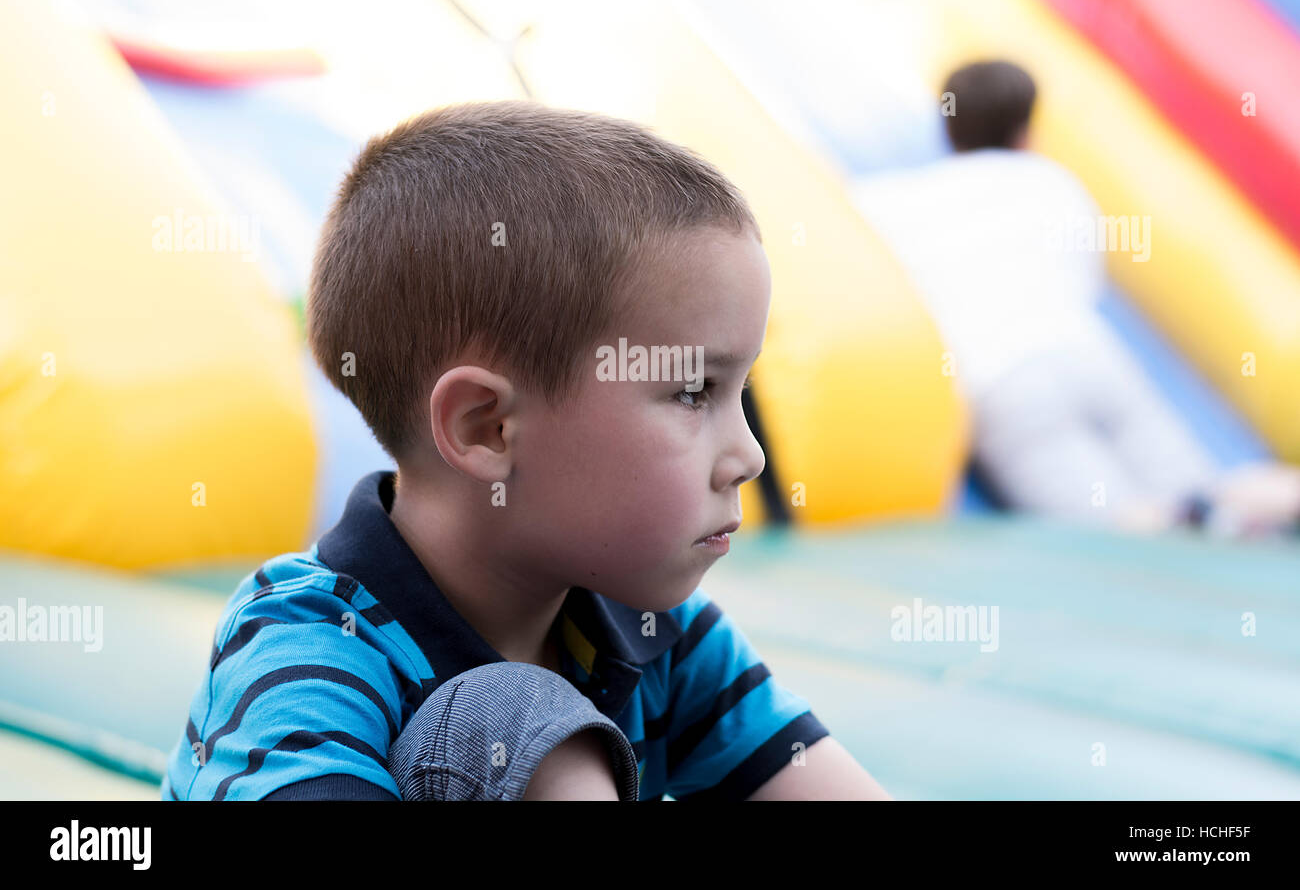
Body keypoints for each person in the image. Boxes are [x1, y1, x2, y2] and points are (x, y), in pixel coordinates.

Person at [161, 100, 891, 800]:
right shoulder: (308, 652)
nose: (749, 457)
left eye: (742, 392)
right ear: (488, 429)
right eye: (693, 392)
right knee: (516, 719)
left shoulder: (657, 633)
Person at [851, 60, 1300, 537]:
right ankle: (1260, 496)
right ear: (1026, 129)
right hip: (1090, 354)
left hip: (1000, 381)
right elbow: (1082, 281)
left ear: (946, 125)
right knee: (1193, 485)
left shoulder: (889, 204)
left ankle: (1206, 516)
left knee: (1113, 531)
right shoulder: (1055, 184)